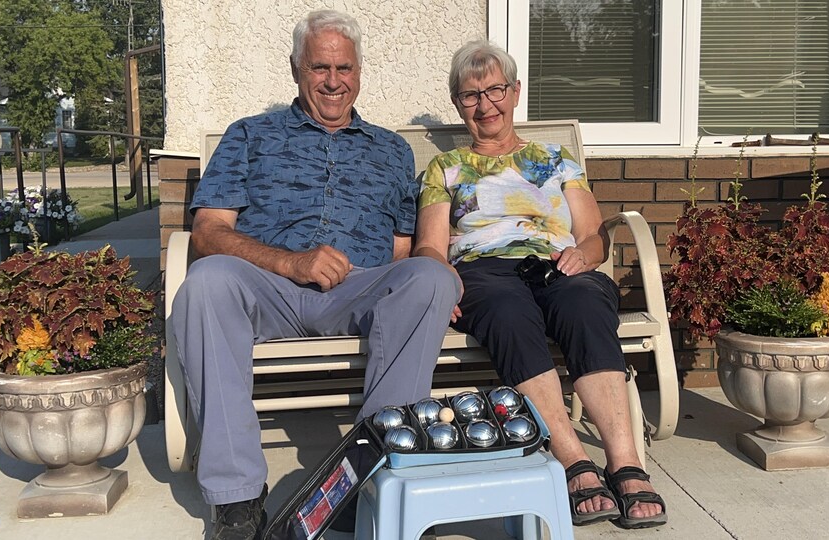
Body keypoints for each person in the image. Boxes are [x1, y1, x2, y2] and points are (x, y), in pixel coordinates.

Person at [169, 10, 461, 540]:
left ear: (360, 70)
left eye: (344, 67)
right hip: (267, 287)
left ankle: (370, 475)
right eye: (319, 67)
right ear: (295, 69)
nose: (333, 81)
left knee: (431, 278)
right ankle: (237, 499)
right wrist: (290, 262)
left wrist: (423, 293)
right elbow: (208, 231)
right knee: (206, 281)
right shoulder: (249, 136)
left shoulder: (392, 150)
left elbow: (402, 250)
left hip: (357, 287)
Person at [412, 39, 667, 530]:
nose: (485, 105)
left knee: (585, 305)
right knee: (508, 314)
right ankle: (573, 458)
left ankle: (625, 462)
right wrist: (440, 277)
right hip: (483, 270)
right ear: (457, 104)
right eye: (470, 96)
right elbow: (429, 245)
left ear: (515, 92)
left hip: (555, 262)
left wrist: (582, 254)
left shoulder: (556, 162)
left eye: (495, 90)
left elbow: (594, 237)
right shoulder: (445, 168)